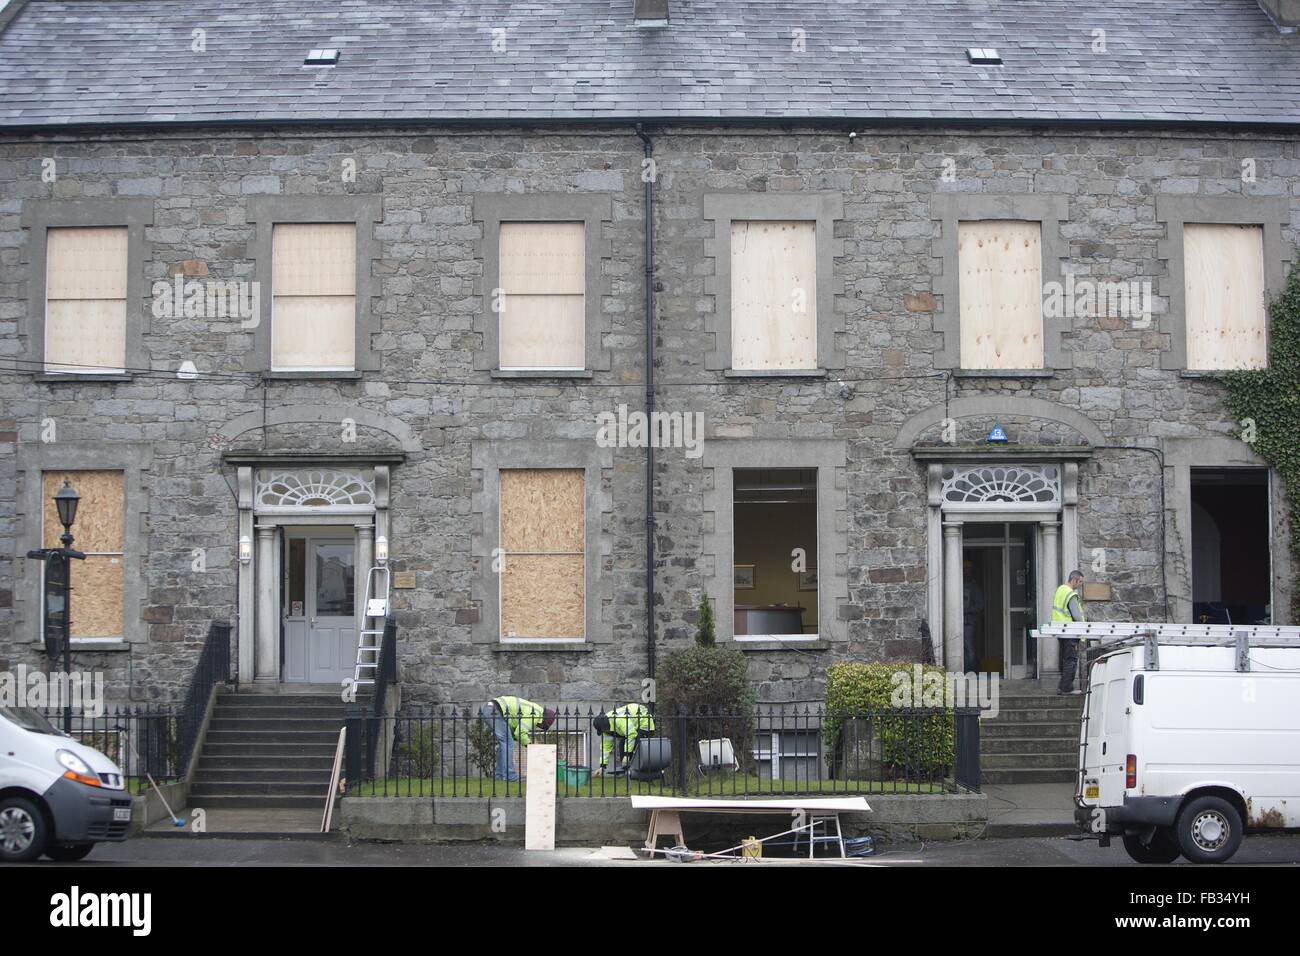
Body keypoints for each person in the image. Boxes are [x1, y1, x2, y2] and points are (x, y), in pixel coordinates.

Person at [478, 696, 557, 782]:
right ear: (544, 721)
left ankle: (500, 775)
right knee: (508, 743)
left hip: (491, 709)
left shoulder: (534, 709)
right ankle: (510, 775)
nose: (540, 727)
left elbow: (515, 731)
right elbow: (520, 732)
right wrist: (530, 745)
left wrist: (524, 741)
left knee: (505, 743)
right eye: (543, 726)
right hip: (495, 710)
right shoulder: (535, 713)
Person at [592, 703, 655, 775]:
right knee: (622, 744)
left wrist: (627, 755)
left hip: (644, 722)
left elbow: (631, 735)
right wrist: (602, 766)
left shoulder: (619, 720)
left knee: (637, 745)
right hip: (634, 724)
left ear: (606, 727)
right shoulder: (605, 728)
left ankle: (638, 772)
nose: (604, 732)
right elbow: (605, 747)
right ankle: (626, 769)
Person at [1052, 570, 1087, 695]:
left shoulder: (1060, 590)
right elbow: (1077, 616)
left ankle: (1063, 687)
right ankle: (1066, 688)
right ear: (1074, 580)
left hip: (1061, 632)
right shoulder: (1070, 594)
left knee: (1065, 659)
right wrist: (1084, 629)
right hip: (1070, 632)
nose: (1080, 585)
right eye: (1080, 582)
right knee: (1071, 660)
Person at [962, 560, 984, 673]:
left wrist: (967, 610)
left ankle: (970, 671)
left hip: (968, 622)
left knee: (969, 647)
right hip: (958, 621)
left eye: (968, 570)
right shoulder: (957, 585)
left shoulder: (974, 587)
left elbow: (980, 606)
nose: (966, 572)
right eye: (964, 570)